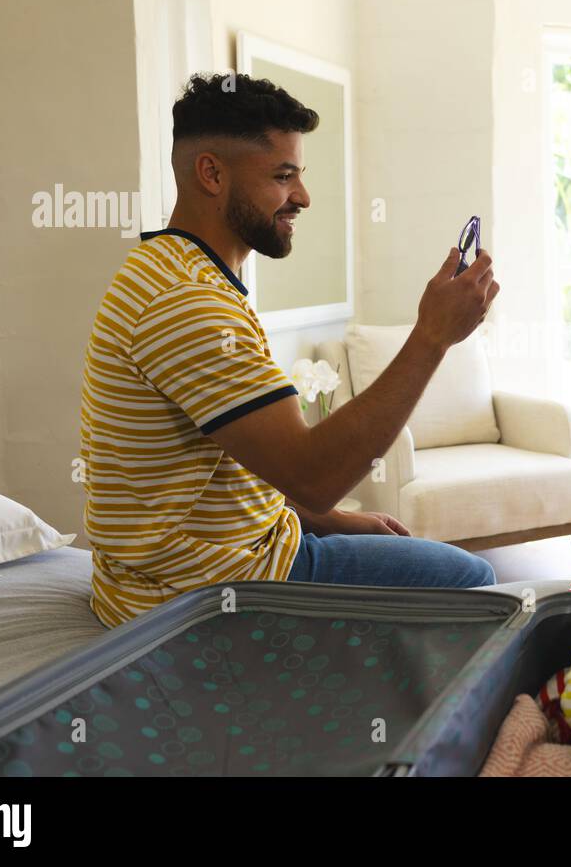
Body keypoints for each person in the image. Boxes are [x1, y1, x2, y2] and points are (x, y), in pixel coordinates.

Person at [80, 73, 498, 628]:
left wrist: (326, 521)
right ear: (211, 173)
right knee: (477, 585)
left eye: (299, 175)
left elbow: (239, 466)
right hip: (204, 595)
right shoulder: (187, 303)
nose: (301, 196)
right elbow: (313, 474)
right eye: (282, 177)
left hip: (215, 561)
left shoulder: (170, 270)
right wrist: (431, 337)